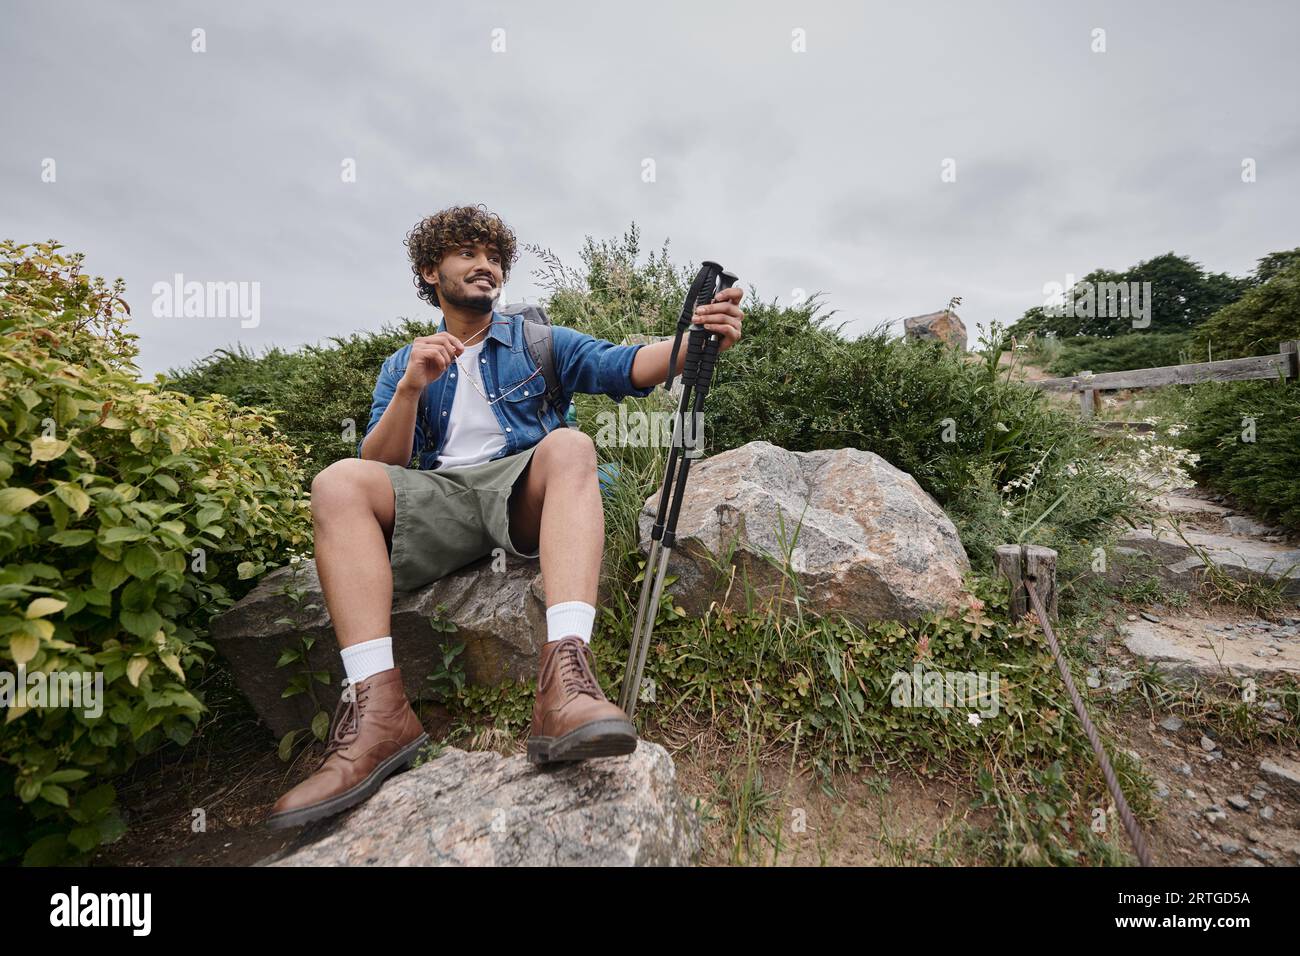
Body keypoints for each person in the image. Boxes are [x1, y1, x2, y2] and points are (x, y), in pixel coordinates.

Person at [268, 203, 743, 828]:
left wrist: (693, 342)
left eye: (494, 257)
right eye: (468, 253)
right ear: (431, 270)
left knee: (571, 445)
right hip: (436, 499)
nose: (485, 265)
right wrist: (412, 386)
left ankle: (565, 683)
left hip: (516, 494)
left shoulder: (537, 341)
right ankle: (378, 713)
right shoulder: (401, 363)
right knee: (336, 483)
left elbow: (624, 364)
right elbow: (382, 467)